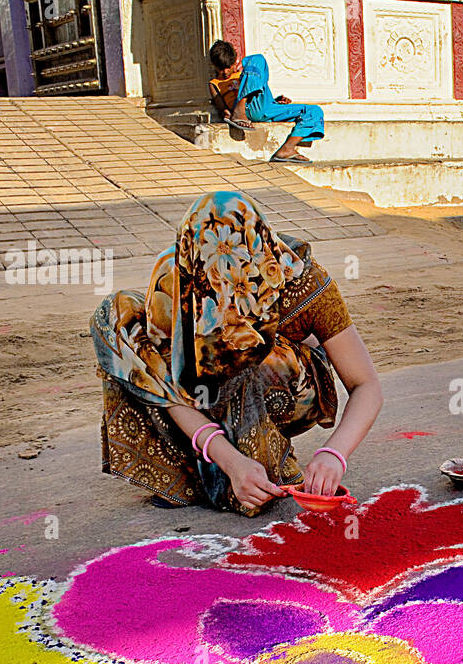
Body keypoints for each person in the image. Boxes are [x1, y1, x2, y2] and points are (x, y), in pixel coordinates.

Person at [89, 190, 382, 514]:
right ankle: (198, 472)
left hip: (286, 386)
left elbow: (365, 385)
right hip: (197, 397)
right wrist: (227, 459)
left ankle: (257, 465)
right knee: (116, 317)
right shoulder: (173, 280)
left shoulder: (303, 281)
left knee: (247, 349)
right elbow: (162, 380)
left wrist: (334, 454)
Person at [208, 40, 324, 163]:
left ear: (234, 63)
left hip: (265, 107)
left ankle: (287, 149)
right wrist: (227, 113)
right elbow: (222, 108)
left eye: (228, 67)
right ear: (214, 66)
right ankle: (240, 108)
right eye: (221, 69)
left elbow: (259, 92)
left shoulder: (246, 74)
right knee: (258, 58)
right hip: (244, 111)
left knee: (314, 111)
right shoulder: (214, 84)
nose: (225, 72)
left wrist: (276, 100)